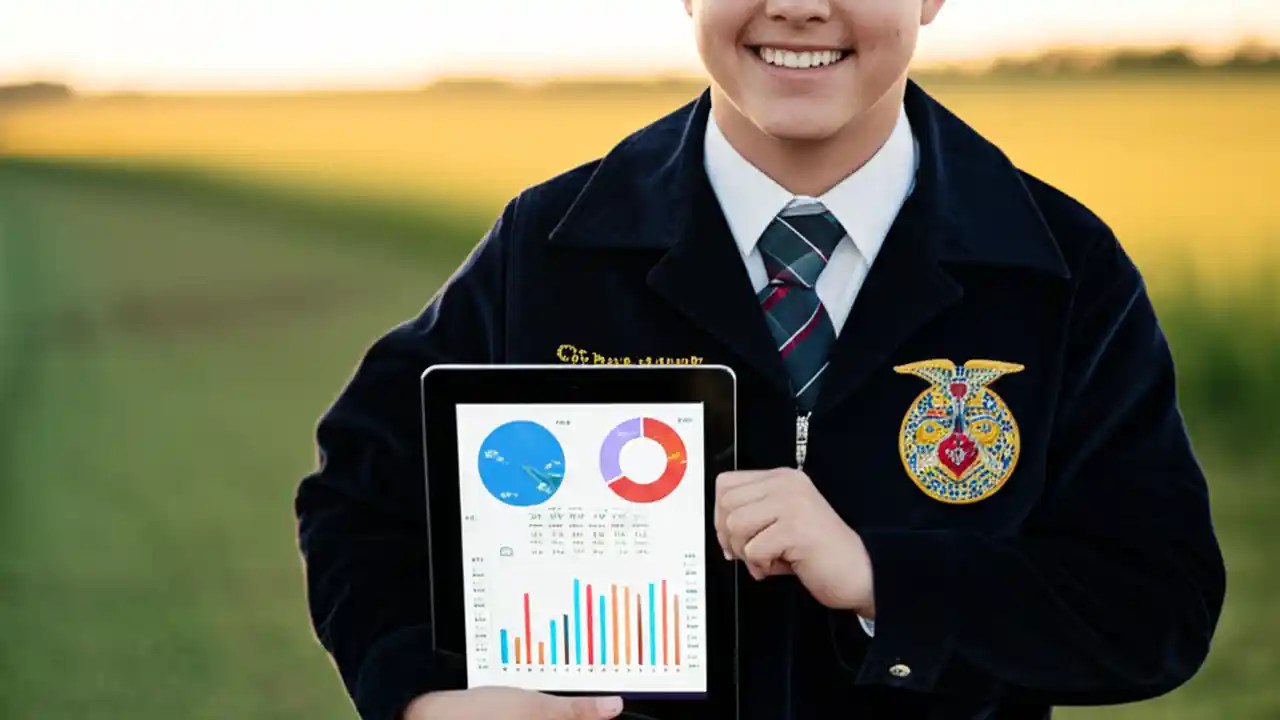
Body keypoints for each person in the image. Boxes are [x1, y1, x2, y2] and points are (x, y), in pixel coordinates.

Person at [294, 1, 1226, 718]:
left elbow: (1154, 608)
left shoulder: (1056, 268)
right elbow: (361, 497)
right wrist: (414, 688)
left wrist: (882, 578)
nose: (798, 5)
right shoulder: (552, 247)